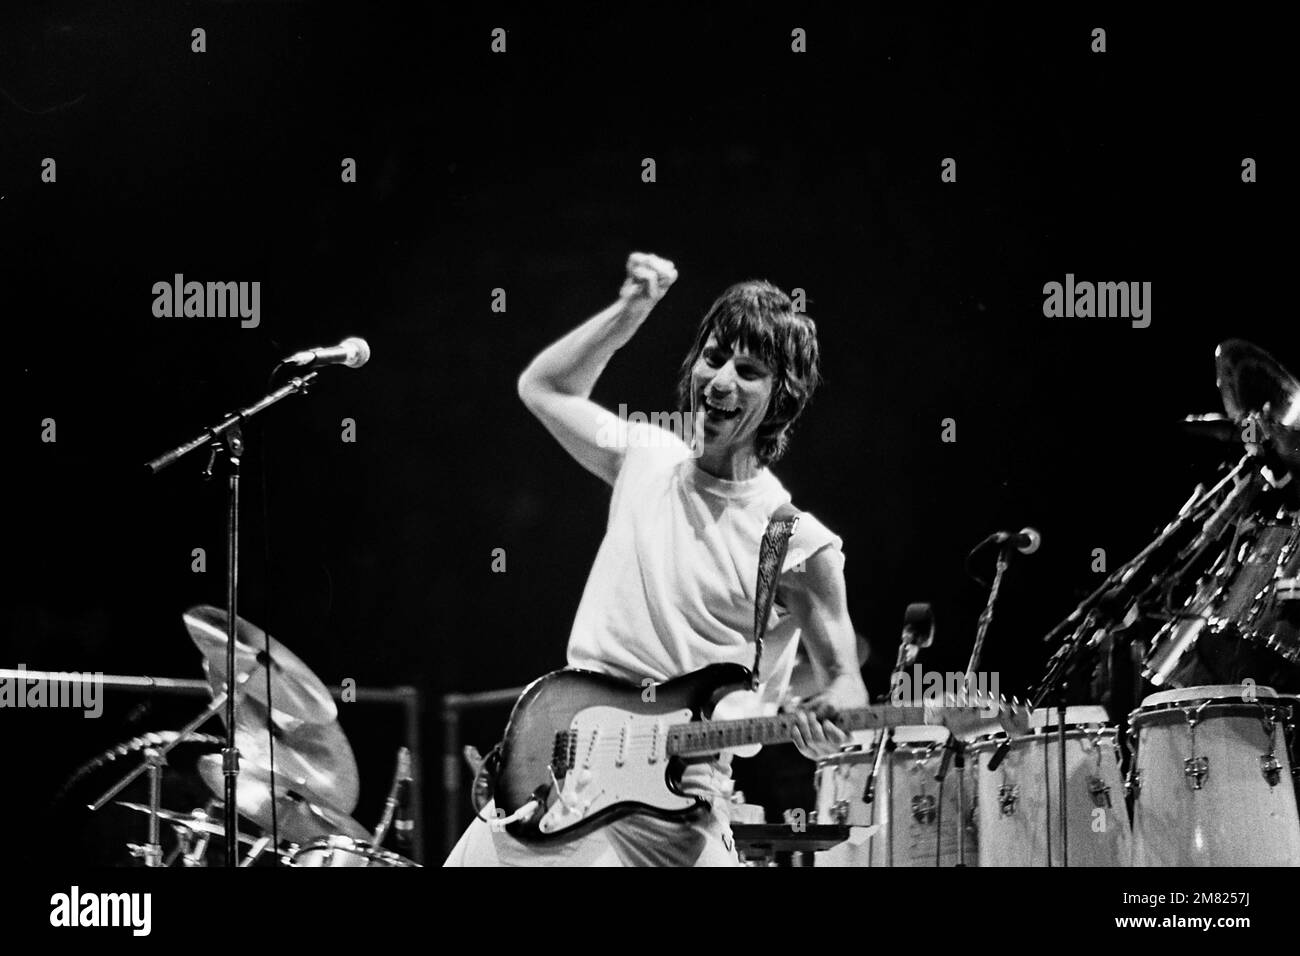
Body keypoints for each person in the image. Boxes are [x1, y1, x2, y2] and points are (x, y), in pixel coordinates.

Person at [444, 252, 868, 866]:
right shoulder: (645, 455)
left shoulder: (798, 543)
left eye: (748, 370)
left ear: (783, 399)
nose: (720, 381)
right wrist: (630, 310)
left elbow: (842, 678)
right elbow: (544, 387)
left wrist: (829, 723)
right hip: (566, 774)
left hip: (681, 800)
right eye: (714, 356)